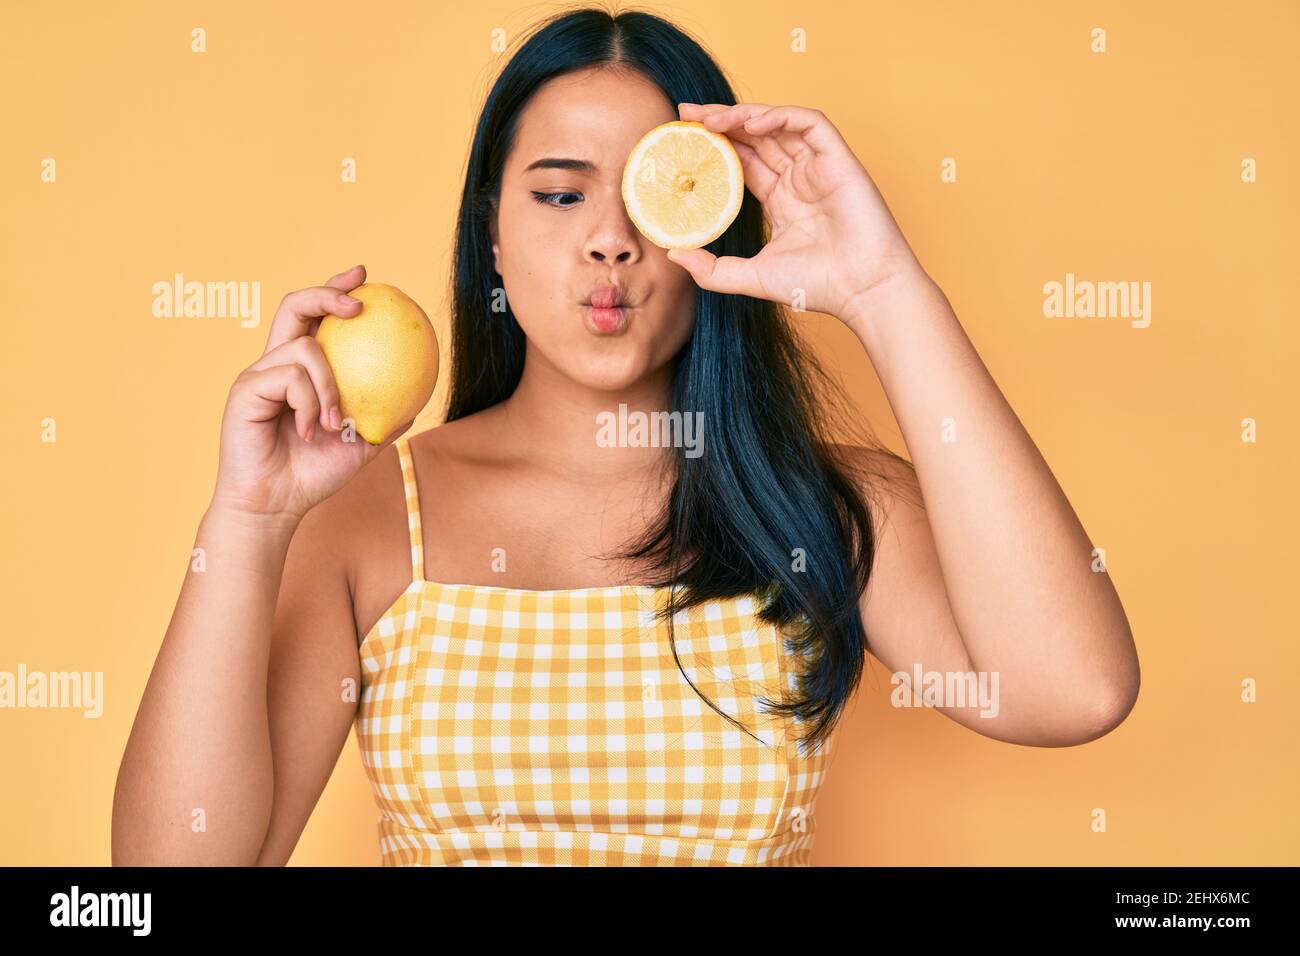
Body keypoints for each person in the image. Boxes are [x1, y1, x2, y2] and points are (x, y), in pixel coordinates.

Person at [112, 6, 1139, 867]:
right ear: (494, 237)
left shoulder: (820, 508)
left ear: (719, 223)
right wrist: (247, 517)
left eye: (653, 195)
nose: (609, 238)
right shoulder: (371, 511)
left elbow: (1072, 689)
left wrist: (883, 289)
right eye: (559, 194)